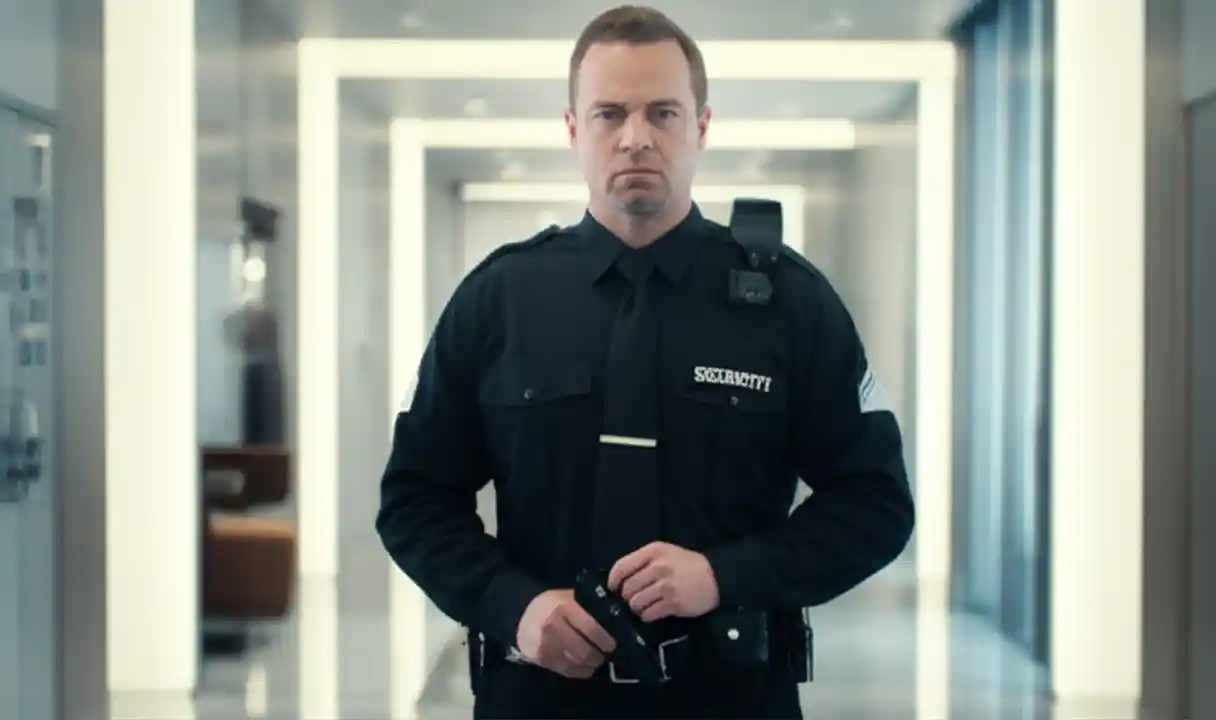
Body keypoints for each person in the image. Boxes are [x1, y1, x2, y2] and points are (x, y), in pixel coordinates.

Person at [376, 5, 914, 718]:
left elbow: (874, 504)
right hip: (539, 697)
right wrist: (514, 606)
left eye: (662, 113)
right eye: (609, 114)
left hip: (730, 695)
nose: (635, 138)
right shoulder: (498, 301)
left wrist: (725, 575)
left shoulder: (790, 303)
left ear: (701, 127)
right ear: (573, 130)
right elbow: (414, 501)